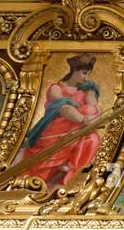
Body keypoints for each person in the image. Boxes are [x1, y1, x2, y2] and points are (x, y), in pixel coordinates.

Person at [19, 55, 103, 188]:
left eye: (88, 74)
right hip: (57, 128)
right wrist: (82, 119)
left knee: (93, 139)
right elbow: (64, 107)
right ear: (74, 70)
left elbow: (92, 105)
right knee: (77, 113)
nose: (86, 77)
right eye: (84, 73)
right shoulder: (56, 88)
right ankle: (61, 165)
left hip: (81, 129)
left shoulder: (88, 88)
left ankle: (74, 175)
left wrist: (95, 114)